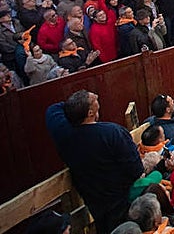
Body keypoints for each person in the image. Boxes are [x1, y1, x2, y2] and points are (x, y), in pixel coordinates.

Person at [45, 91, 142, 234]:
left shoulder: (64, 134)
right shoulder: (112, 132)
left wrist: (76, 104)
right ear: (90, 112)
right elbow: (136, 170)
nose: (96, 96)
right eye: (93, 99)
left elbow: (52, 109)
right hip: (120, 199)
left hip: (94, 201)